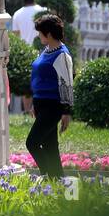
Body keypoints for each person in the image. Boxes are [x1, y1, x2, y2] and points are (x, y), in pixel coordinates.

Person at [26, 13, 74, 178]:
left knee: (32, 142)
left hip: (53, 105)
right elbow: (39, 78)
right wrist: (34, 103)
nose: (39, 36)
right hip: (40, 103)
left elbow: (67, 84)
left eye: (40, 33)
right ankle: (58, 181)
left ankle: (47, 174)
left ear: (49, 34)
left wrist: (67, 112)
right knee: (50, 147)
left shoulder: (62, 54)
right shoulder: (46, 50)